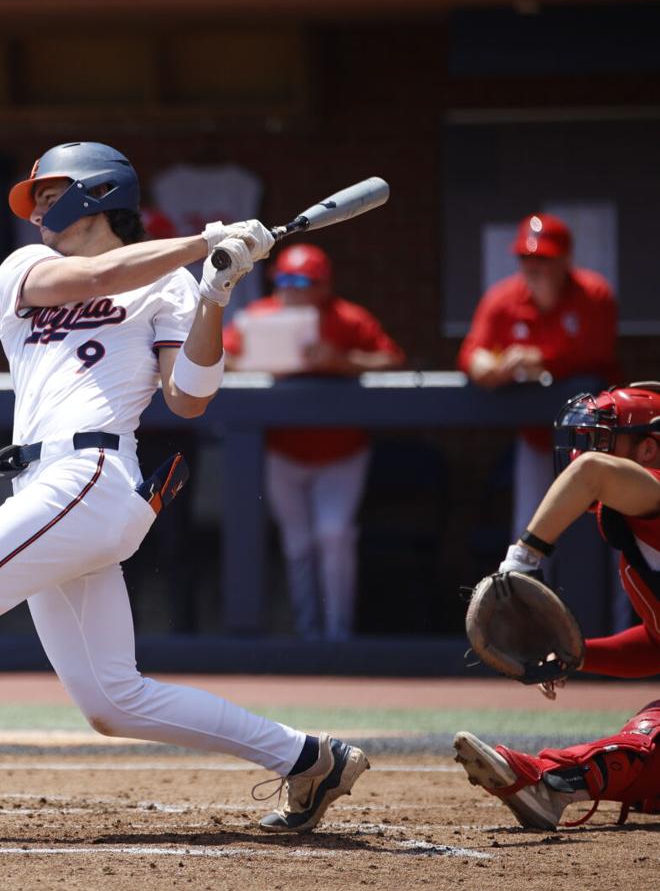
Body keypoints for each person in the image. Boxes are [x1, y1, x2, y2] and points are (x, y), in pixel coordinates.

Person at [0, 141, 368, 837]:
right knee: (114, 701)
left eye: (51, 193)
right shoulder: (26, 265)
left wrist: (214, 294)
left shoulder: (170, 286)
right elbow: (96, 276)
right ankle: (308, 758)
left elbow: (191, 398)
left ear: (99, 192)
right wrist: (204, 240)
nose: (39, 208)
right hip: (42, 484)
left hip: (95, 475)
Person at [454, 383, 660, 830]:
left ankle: (549, 780)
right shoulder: (635, 530)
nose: (585, 450)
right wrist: (578, 655)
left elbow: (592, 471)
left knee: (651, 736)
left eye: (607, 439)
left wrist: (522, 560)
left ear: (648, 449)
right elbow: (656, 644)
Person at [223, 245, 404, 640]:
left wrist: (342, 361)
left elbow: (392, 361)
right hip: (282, 451)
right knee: (297, 545)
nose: (292, 290)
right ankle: (309, 636)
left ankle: (338, 637)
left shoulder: (348, 318)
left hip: (341, 452)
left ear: (324, 286)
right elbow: (220, 357)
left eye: (303, 283)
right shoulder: (259, 318)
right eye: (285, 281)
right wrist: (256, 361)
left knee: (334, 536)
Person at [458, 213, 618, 549]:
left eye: (543, 258)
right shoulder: (503, 298)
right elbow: (471, 351)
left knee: (601, 531)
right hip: (538, 437)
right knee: (530, 529)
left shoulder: (593, 292)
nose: (533, 267)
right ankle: (529, 602)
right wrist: (482, 365)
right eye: (526, 257)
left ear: (564, 259)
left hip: (597, 441)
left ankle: (621, 604)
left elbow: (598, 350)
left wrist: (541, 358)